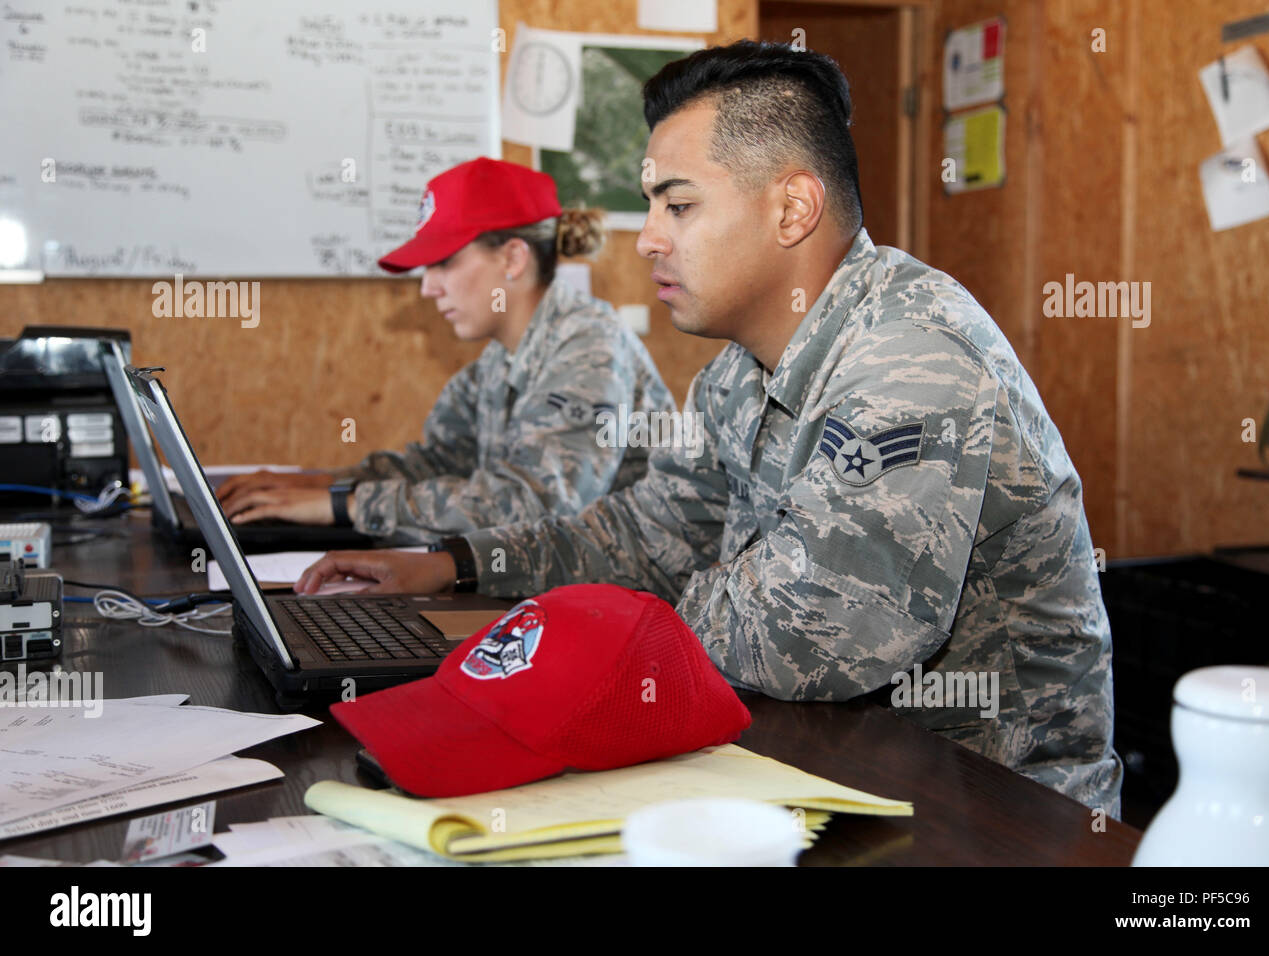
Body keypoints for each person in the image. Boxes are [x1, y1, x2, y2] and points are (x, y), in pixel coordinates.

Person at [297, 43, 1123, 817]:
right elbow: (648, 533)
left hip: (993, 810)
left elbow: (807, 636)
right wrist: (455, 563)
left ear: (793, 207)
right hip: (826, 763)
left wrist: (594, 622)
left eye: (678, 205)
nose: (649, 239)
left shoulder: (911, 353)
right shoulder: (736, 370)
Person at [218, 157, 675, 542]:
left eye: (443, 262)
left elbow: (536, 506)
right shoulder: (502, 356)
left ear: (513, 259)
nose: (428, 288)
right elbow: (437, 463)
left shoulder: (590, 347)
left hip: (630, 614)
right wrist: (316, 484)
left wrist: (346, 505)